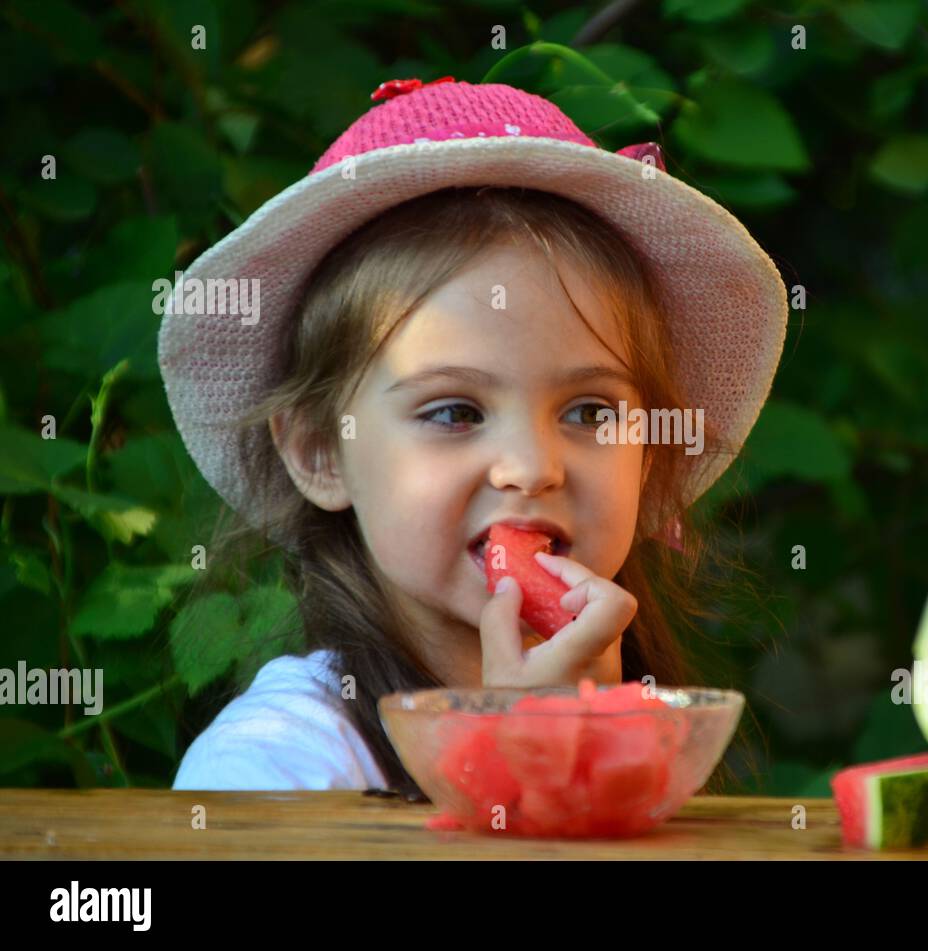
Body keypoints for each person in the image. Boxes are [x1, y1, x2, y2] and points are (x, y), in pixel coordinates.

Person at [162, 77, 787, 792]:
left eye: (589, 412)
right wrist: (527, 776)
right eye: (454, 412)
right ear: (319, 451)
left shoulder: (658, 726)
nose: (529, 467)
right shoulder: (276, 763)